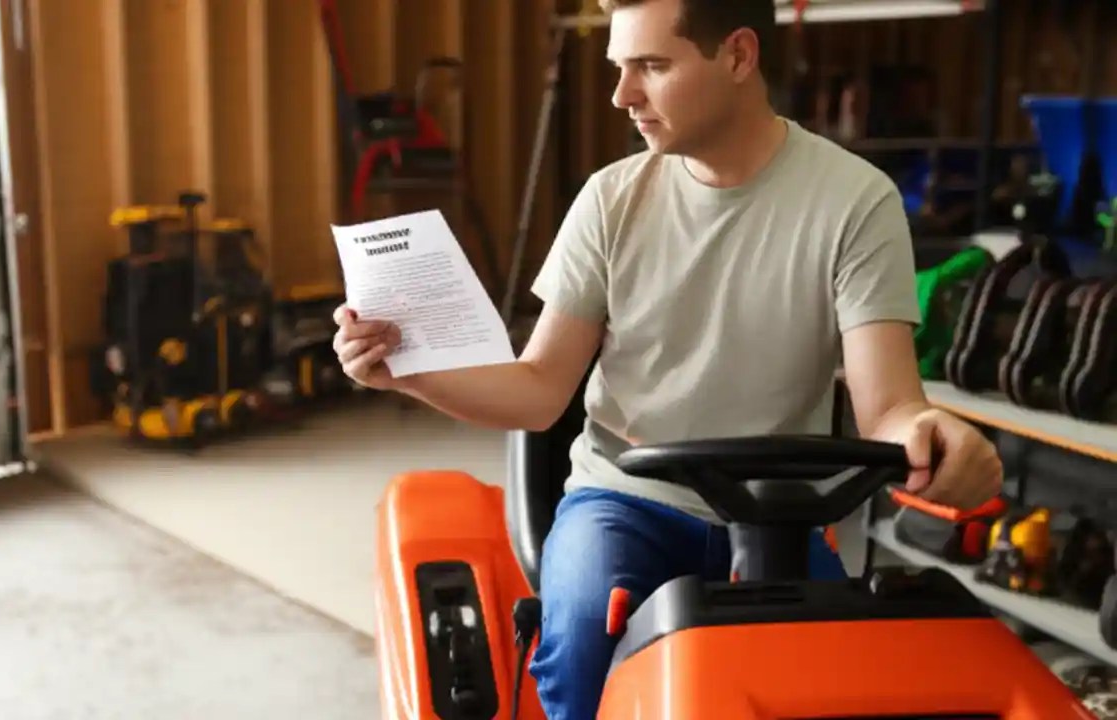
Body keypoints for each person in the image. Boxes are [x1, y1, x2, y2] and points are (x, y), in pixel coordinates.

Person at [331, 0, 1004, 717]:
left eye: (651, 66)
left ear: (739, 56)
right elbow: (537, 391)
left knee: (832, 679)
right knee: (585, 632)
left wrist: (939, 439)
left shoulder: (855, 201)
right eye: (621, 68)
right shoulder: (611, 201)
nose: (623, 95)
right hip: (626, 499)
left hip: (779, 512)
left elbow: (889, 409)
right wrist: (403, 368)